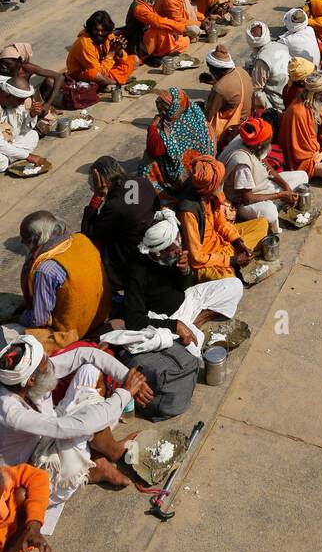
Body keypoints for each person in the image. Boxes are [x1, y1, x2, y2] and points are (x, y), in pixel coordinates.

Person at [0, 334, 152, 533]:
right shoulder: (10, 411)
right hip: (33, 469)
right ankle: (104, 458)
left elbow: (86, 354)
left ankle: (101, 455)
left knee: (90, 371)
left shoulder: (32, 374)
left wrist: (129, 379)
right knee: (86, 424)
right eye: (45, 362)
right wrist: (124, 393)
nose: (51, 362)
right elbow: (71, 426)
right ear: (30, 381)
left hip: (51, 430)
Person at [126, 209, 244, 352]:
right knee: (194, 349)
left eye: (179, 241)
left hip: (188, 298)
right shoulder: (136, 272)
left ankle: (197, 321)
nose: (179, 249)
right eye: (172, 248)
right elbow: (134, 321)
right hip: (167, 318)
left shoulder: (170, 254)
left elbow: (186, 286)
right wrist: (174, 325)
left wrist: (185, 270)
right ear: (157, 253)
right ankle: (190, 329)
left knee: (235, 285)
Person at [15, 212, 112, 352]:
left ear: (35, 240)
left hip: (74, 333)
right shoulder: (82, 239)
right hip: (102, 314)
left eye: (24, 238)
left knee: (13, 334)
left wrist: (19, 318)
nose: (22, 243)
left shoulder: (45, 270)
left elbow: (39, 320)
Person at [175, 152, 268, 279]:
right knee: (227, 277)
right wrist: (232, 260)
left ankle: (237, 259)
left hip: (223, 244)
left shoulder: (212, 193)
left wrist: (238, 243)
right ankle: (233, 265)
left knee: (261, 224)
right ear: (210, 187)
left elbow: (221, 223)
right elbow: (196, 257)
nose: (221, 185)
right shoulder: (188, 212)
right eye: (219, 183)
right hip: (206, 259)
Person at [81, 156, 159, 292]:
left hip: (132, 257)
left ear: (102, 181)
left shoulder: (114, 206)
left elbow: (88, 233)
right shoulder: (142, 181)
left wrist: (97, 197)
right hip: (151, 242)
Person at [221, 115, 309, 231]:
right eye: (268, 141)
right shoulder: (242, 163)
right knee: (270, 213)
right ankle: (277, 204)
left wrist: (285, 186)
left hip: (262, 185)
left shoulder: (250, 142)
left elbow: (265, 164)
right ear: (259, 145)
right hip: (242, 202)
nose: (270, 144)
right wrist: (281, 195)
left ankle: (279, 201)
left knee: (302, 176)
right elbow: (247, 198)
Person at [141, 87, 215, 193]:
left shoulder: (167, 129)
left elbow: (155, 150)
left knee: (146, 166)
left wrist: (152, 126)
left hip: (184, 175)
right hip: (205, 162)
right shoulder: (195, 111)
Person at [125, 0, 199, 60]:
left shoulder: (145, 3)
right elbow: (158, 21)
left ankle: (167, 50)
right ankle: (165, 53)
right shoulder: (139, 9)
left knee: (185, 41)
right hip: (138, 45)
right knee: (161, 27)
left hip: (150, 39)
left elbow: (161, 19)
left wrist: (175, 30)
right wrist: (183, 28)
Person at [66, 11, 136, 88]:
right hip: (83, 74)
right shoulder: (85, 43)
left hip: (105, 68)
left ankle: (107, 82)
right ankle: (117, 82)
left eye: (103, 31)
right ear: (90, 29)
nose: (99, 33)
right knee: (95, 75)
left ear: (108, 30)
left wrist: (119, 51)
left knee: (134, 60)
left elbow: (124, 59)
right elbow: (99, 71)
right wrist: (112, 52)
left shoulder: (109, 35)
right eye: (96, 30)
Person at [204, 45, 254, 147]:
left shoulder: (220, 88)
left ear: (214, 69)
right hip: (248, 117)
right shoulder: (241, 71)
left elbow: (207, 116)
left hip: (232, 128)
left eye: (210, 68)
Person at [0, 76, 44, 173]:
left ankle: (10, 157)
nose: (22, 103)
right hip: (1, 144)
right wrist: (28, 156)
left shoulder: (14, 104)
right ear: (7, 95)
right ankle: (10, 157)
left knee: (33, 135)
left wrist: (32, 115)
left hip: (8, 140)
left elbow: (22, 130)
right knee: (1, 162)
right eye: (20, 100)